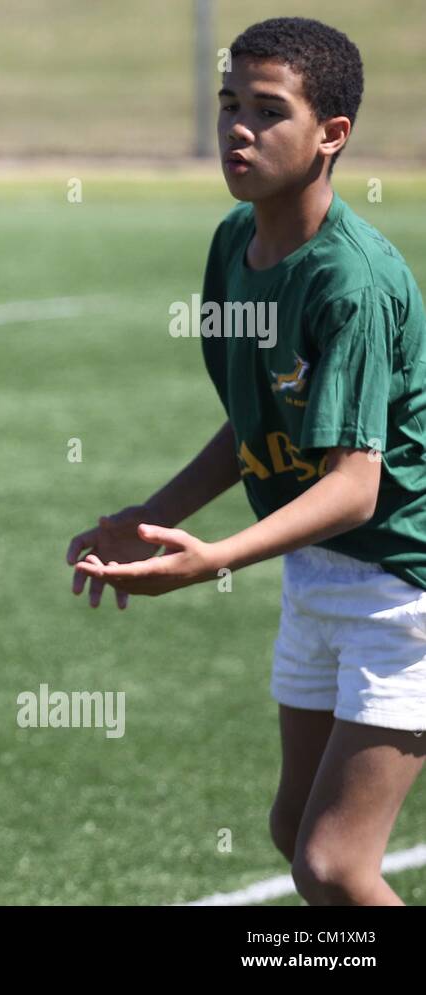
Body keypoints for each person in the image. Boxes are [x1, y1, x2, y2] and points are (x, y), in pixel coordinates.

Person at [68, 17, 426, 906]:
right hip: (319, 575)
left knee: (332, 865)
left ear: (330, 137)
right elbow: (252, 423)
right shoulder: (235, 244)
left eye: (269, 111)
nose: (237, 127)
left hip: (405, 590)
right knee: (291, 826)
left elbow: (353, 486)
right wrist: (148, 519)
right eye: (229, 102)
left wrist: (215, 560)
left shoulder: (351, 281)